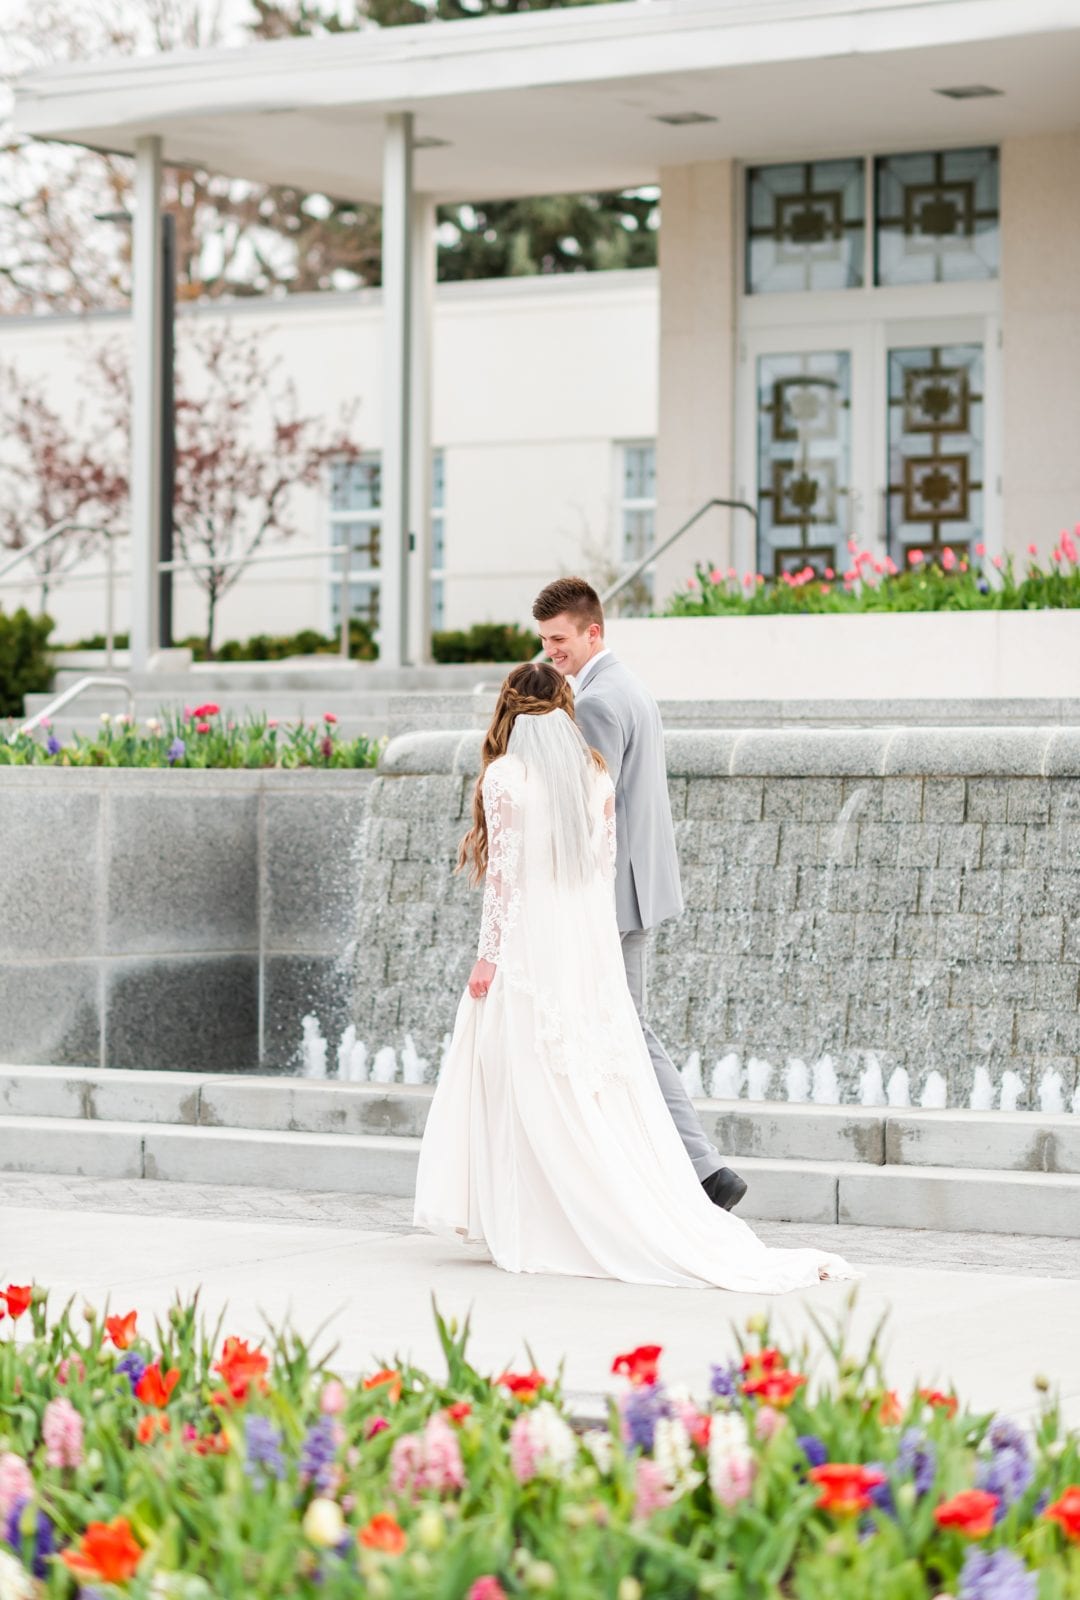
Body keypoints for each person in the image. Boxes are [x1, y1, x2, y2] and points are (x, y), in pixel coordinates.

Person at [413, 661, 855, 1292]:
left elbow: (504, 883)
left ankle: (530, 1216)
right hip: (582, 944)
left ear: (509, 709)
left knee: (522, 1075)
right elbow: (598, 875)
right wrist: (595, 960)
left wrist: (488, 956)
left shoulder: (505, 777)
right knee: (583, 1082)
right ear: (565, 705)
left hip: (532, 945)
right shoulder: (595, 774)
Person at [533, 575, 747, 1212]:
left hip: (610, 895)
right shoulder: (630, 686)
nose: (550, 653)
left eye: (559, 639)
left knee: (627, 1028)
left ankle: (704, 1169)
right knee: (622, 1026)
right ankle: (665, 1166)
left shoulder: (597, 701)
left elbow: (589, 810)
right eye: (544, 642)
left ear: (592, 630)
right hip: (640, 885)